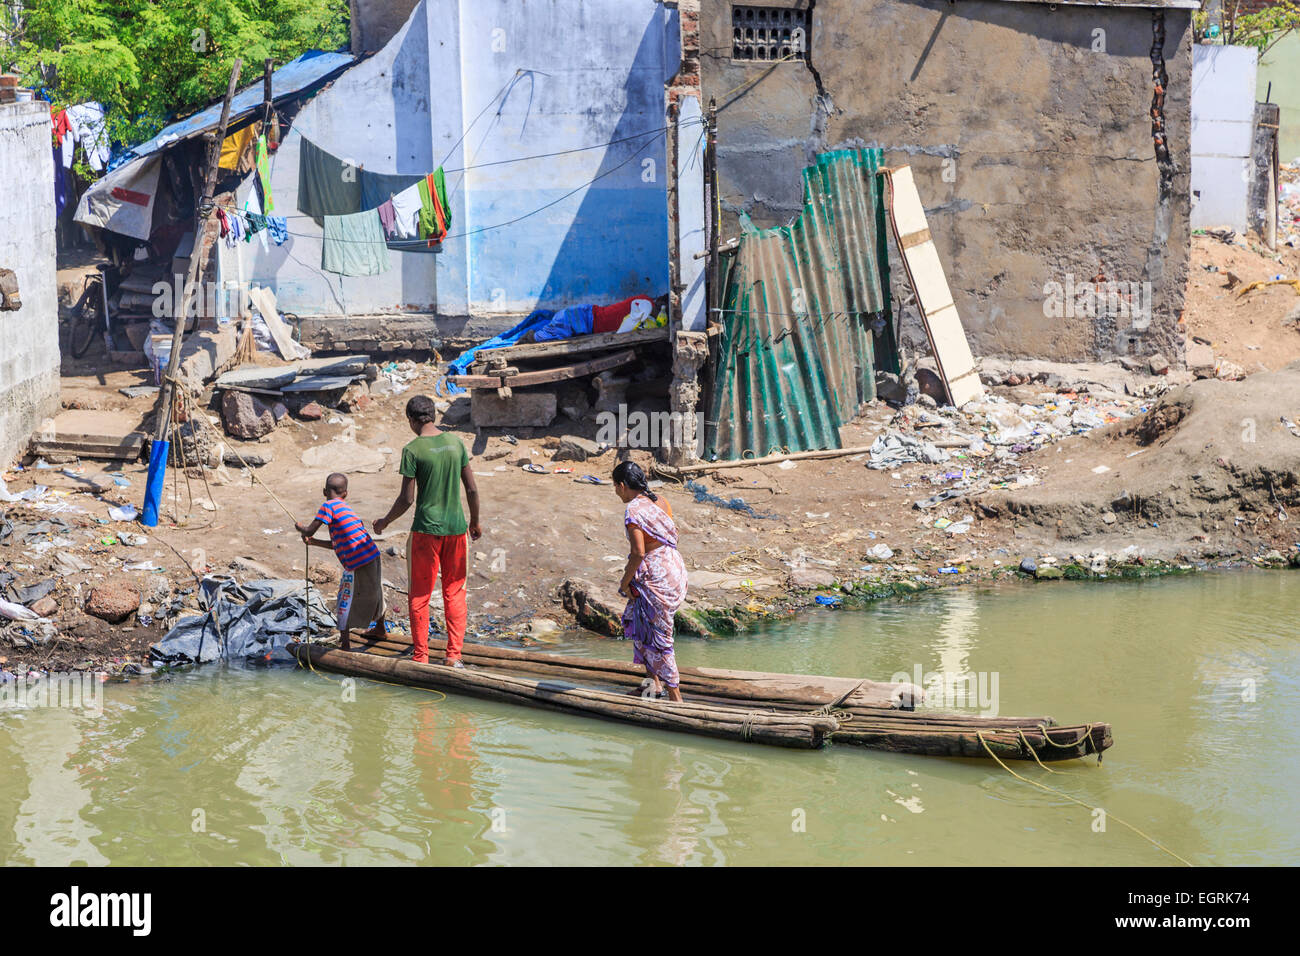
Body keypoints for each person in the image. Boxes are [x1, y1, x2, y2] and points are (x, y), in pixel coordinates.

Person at [375, 395, 481, 667]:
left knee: (420, 594)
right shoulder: (456, 443)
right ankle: (453, 656)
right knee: (455, 591)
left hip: (424, 531)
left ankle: (421, 656)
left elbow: (407, 500)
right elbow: (471, 489)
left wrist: (385, 522)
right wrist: (475, 522)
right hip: (457, 530)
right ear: (433, 415)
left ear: (412, 421)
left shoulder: (412, 450)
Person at [612, 460, 687, 702]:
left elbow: (638, 553)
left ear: (622, 486)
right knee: (638, 619)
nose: (616, 492)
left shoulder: (633, 510)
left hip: (657, 577)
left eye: (615, 487)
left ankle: (676, 699)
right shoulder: (661, 501)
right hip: (673, 567)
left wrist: (624, 583)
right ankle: (653, 685)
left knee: (660, 636)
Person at [294, 472, 385, 651]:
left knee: (345, 598)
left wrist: (301, 529)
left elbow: (309, 530)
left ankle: (345, 645)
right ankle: (380, 628)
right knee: (376, 593)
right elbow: (339, 544)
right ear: (346, 494)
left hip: (358, 562)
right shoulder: (345, 508)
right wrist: (313, 543)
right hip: (372, 555)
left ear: (324, 491)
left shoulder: (328, 506)